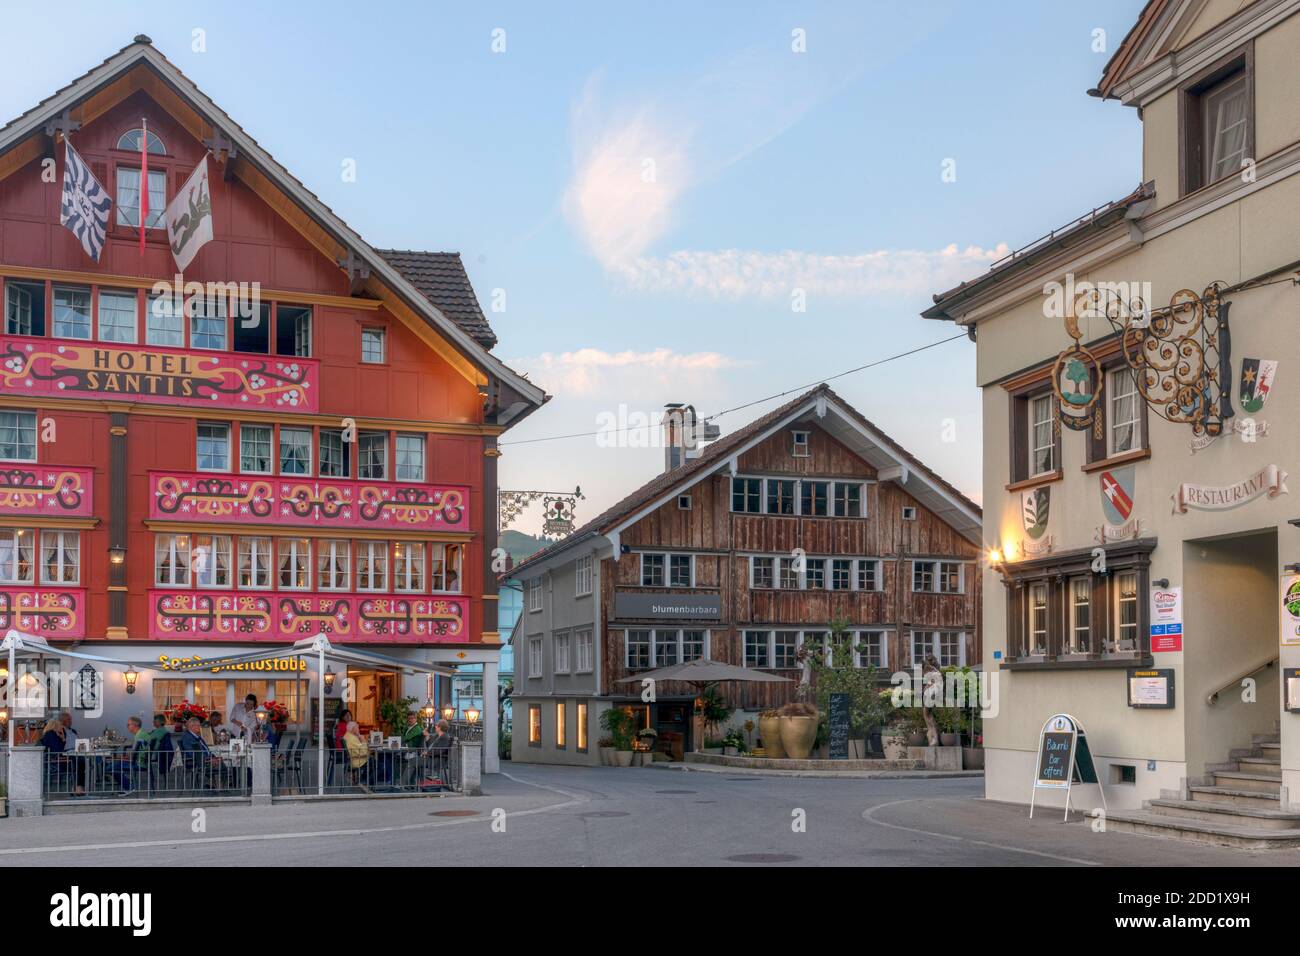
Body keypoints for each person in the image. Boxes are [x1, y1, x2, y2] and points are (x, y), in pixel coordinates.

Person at [41, 718, 84, 795]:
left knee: (79, 761)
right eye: (60, 725)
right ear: (55, 726)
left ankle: (77, 787)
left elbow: (60, 749)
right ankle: (77, 788)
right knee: (79, 762)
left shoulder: (53, 734)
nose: (62, 727)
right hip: (56, 762)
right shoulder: (51, 735)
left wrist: (63, 739)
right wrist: (62, 739)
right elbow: (58, 750)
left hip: (58, 760)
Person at [179, 717, 221, 788]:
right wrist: (208, 759)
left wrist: (213, 757)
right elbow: (192, 753)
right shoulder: (187, 737)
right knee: (221, 766)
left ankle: (214, 786)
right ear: (192, 726)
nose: (200, 727)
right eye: (198, 725)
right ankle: (217, 786)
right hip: (197, 762)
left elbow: (206, 750)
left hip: (203, 760)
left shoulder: (197, 736)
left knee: (220, 762)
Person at [342, 720, 371, 790]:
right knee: (379, 763)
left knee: (376, 762)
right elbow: (363, 752)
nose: (359, 729)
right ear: (353, 729)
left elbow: (360, 750)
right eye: (357, 728)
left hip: (355, 759)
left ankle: (364, 781)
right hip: (358, 762)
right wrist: (363, 740)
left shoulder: (348, 736)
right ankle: (364, 782)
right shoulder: (352, 739)